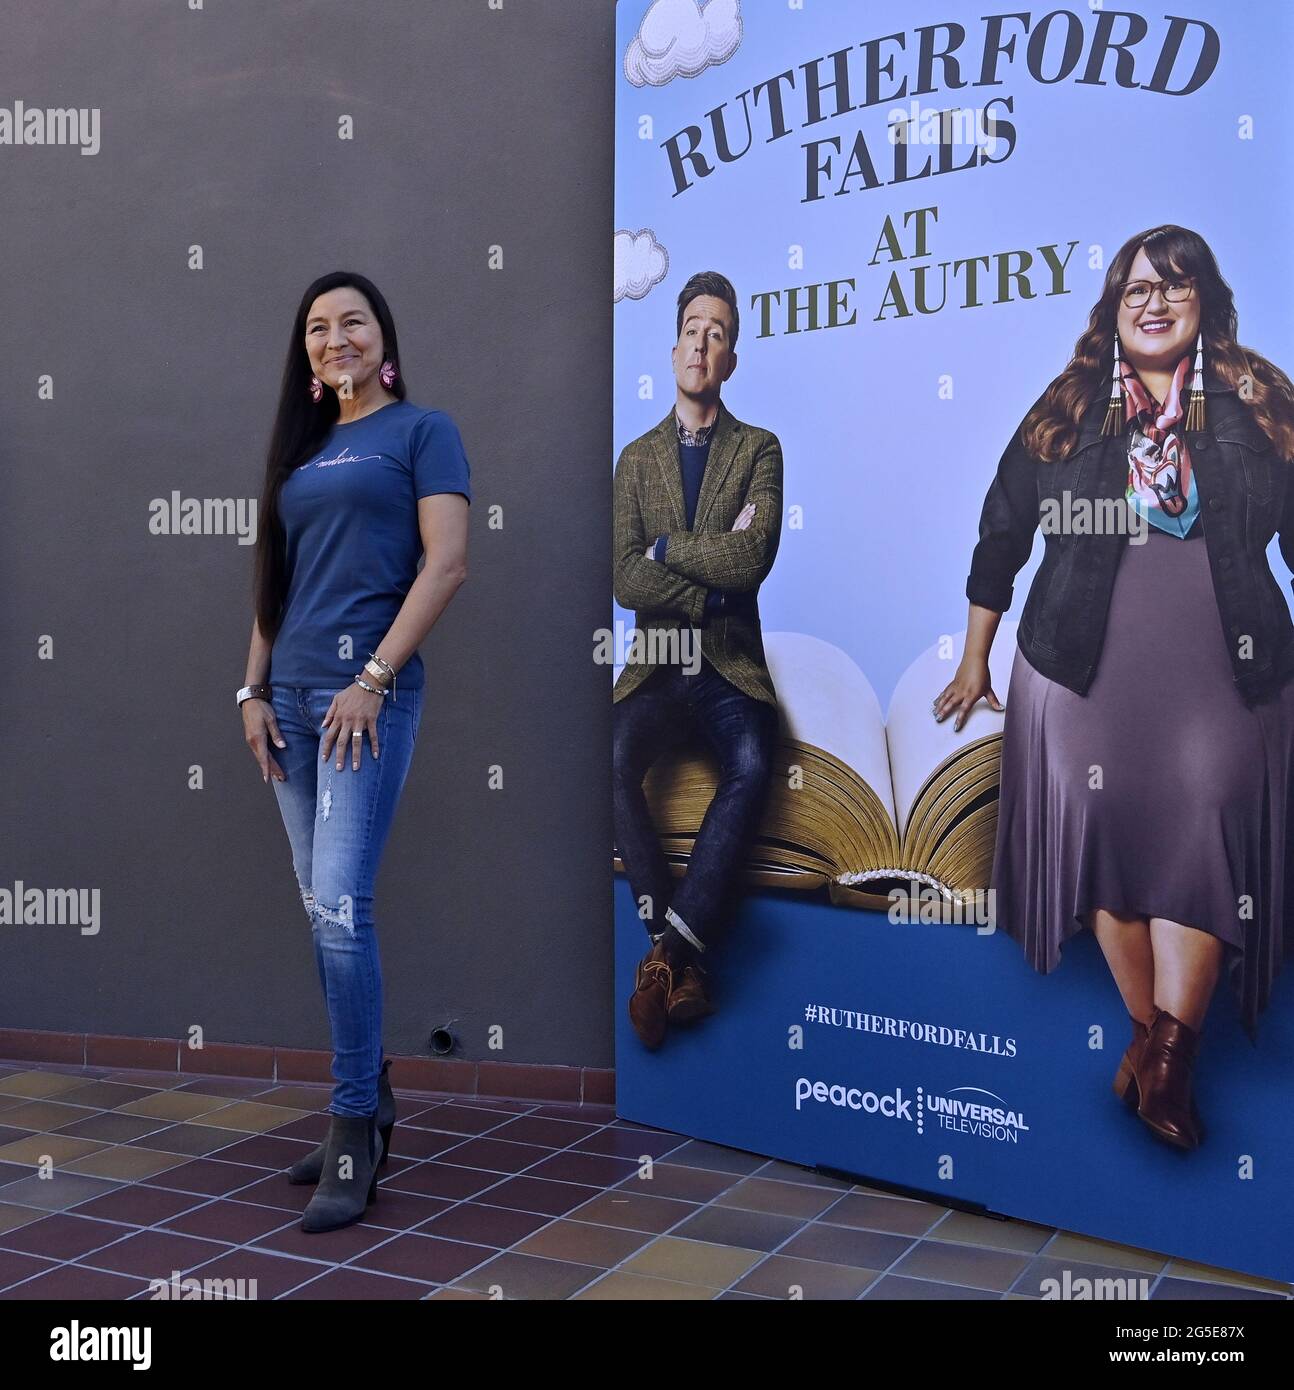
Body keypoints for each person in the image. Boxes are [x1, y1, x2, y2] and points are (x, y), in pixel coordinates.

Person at [935, 225, 1294, 1152]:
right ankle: (1156, 1045)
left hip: (1227, 654)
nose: (1154, 302)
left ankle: (1162, 1058)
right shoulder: (1072, 401)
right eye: (1137, 288)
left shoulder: (1258, 398)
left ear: (1205, 299)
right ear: (1113, 306)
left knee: (1208, 809)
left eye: (1175, 286)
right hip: (1080, 654)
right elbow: (1002, 525)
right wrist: (977, 656)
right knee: (1100, 829)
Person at [240, 271, 470, 1230]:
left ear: (383, 339)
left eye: (352, 322)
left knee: (342, 908)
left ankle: (352, 1126)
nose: (335, 339)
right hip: (291, 698)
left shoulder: (423, 432)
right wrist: (252, 687)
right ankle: (366, 1100)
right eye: (317, 328)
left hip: (362, 703)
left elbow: (448, 563)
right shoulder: (299, 455)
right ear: (308, 355)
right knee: (319, 907)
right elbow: (275, 583)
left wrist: (372, 679)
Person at [612, 270, 783, 1050]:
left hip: (726, 662)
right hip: (657, 661)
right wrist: (699, 583)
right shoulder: (635, 460)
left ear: (730, 359)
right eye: (691, 328)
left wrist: (668, 549)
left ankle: (665, 957)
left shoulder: (759, 449)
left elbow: (751, 561)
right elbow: (622, 575)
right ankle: (675, 954)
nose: (701, 341)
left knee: (753, 756)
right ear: (673, 345)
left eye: (717, 331)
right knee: (608, 758)